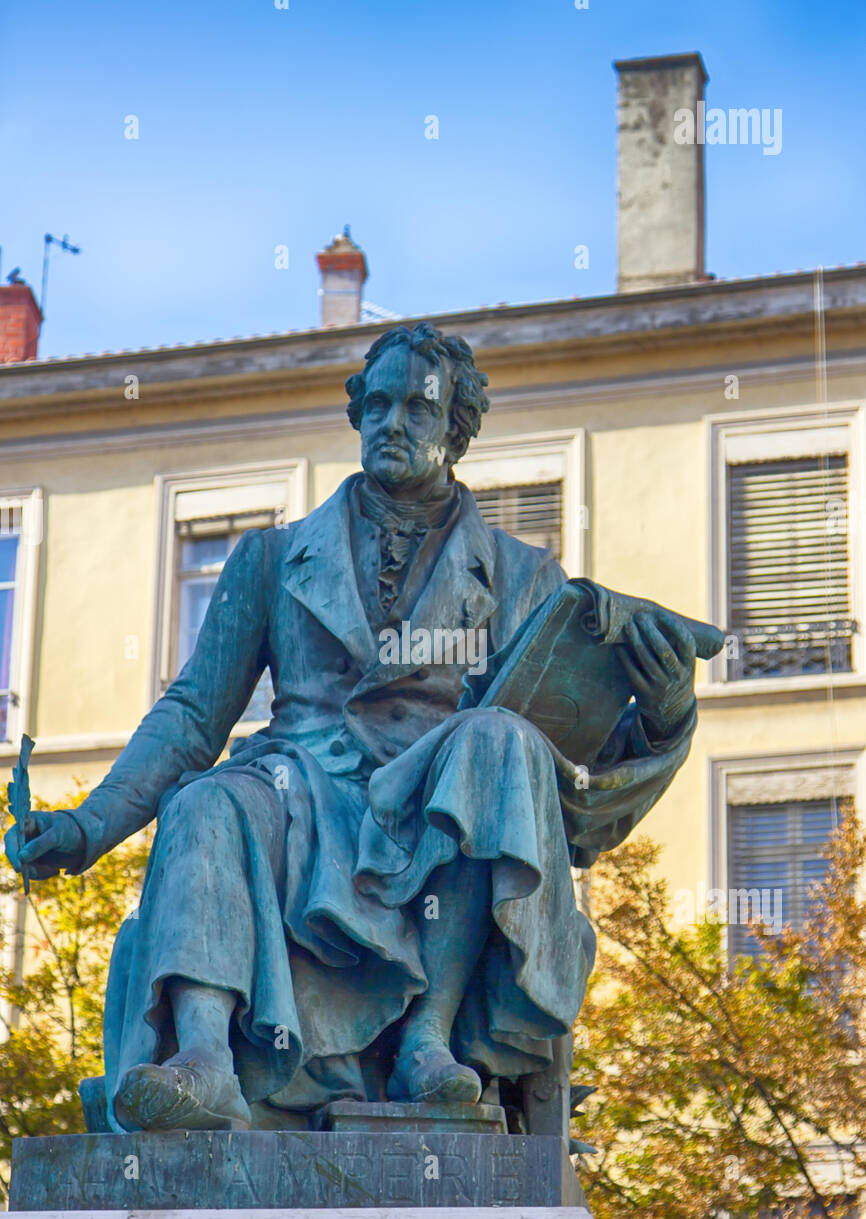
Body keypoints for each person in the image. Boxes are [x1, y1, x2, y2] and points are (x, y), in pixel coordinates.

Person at [5, 322, 698, 1133]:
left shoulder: (522, 578)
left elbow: (564, 774)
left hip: (436, 803)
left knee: (500, 744)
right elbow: (193, 716)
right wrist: (89, 825)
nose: (391, 422)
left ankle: (428, 1040)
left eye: (417, 407)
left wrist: (664, 711)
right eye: (376, 403)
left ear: (456, 430)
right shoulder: (271, 559)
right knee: (205, 800)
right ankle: (204, 1061)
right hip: (301, 787)